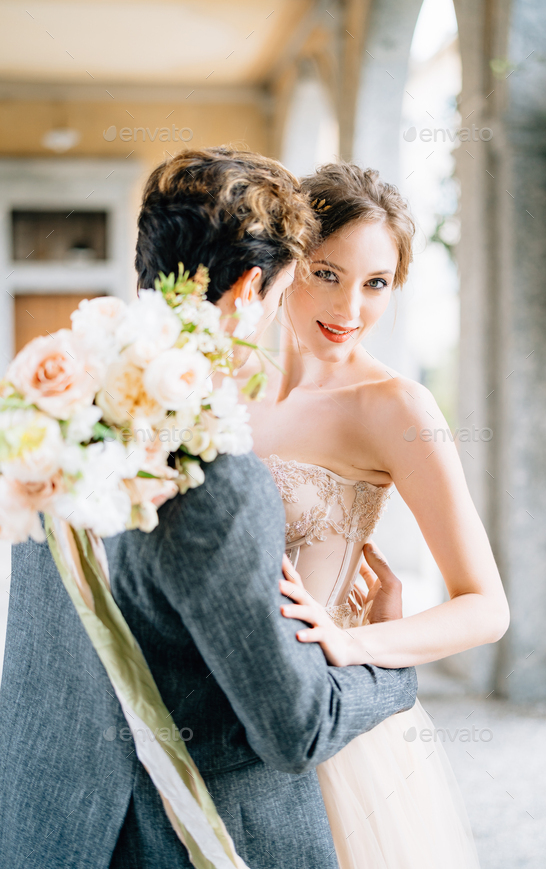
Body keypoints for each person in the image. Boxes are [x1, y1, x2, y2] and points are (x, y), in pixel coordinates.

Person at [0, 149, 417, 869]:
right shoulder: (218, 476)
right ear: (254, 286)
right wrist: (394, 667)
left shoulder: (53, 411)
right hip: (205, 836)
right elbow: (293, 728)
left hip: (50, 823)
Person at [240, 162, 510, 869]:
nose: (350, 307)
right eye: (327, 273)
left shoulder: (396, 408)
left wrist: (356, 642)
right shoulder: (228, 382)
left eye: (376, 283)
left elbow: (487, 606)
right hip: (216, 715)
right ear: (289, 258)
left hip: (333, 734)